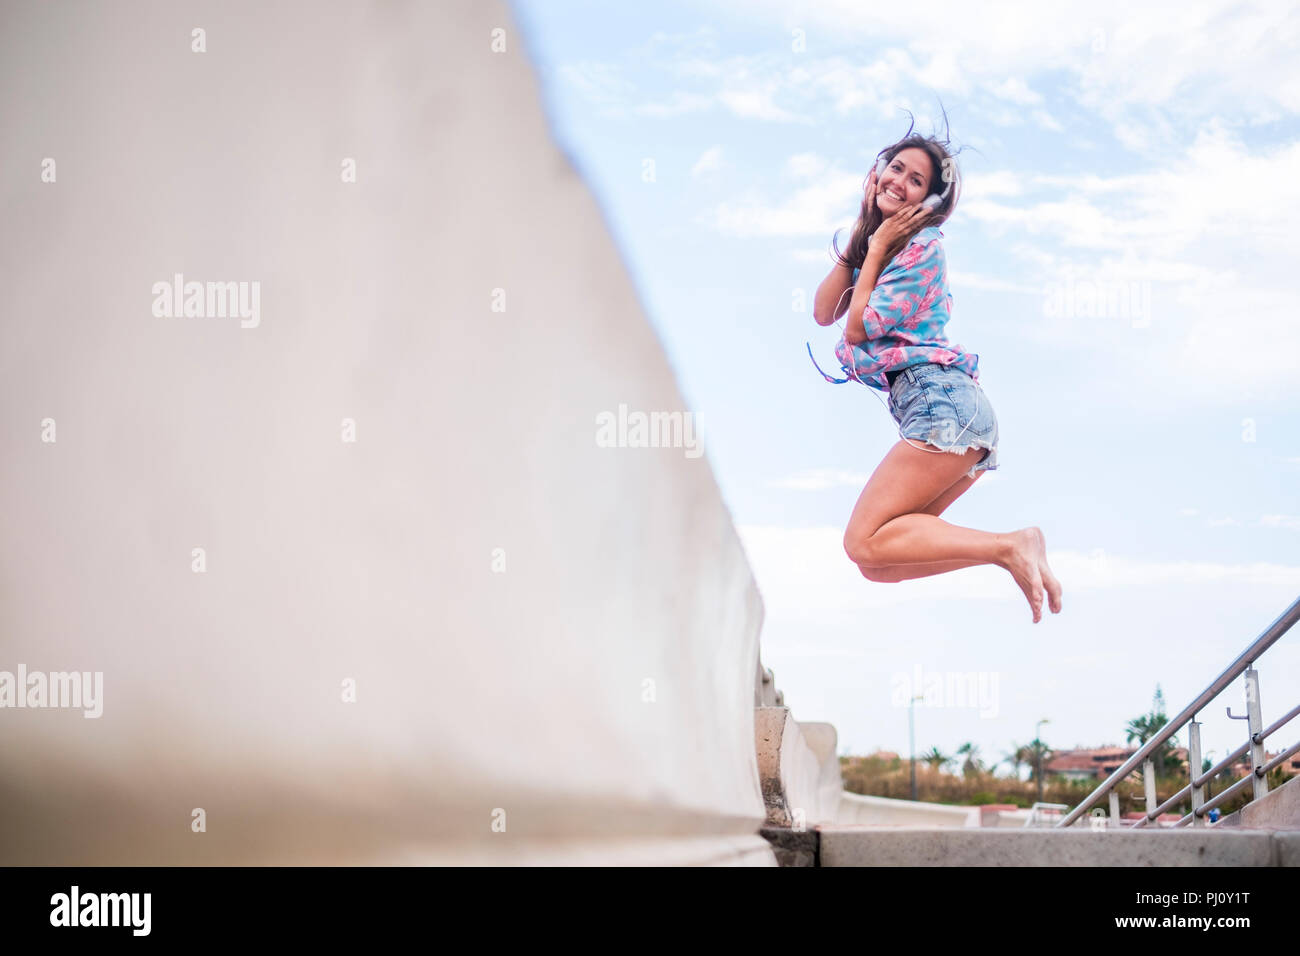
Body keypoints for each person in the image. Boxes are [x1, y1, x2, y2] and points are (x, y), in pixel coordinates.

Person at [810, 121, 1062, 623]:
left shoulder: (922, 249)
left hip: (942, 406)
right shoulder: (879, 248)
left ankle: (1011, 545)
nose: (898, 182)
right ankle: (1008, 549)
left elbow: (858, 328)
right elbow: (824, 311)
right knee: (879, 561)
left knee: (860, 539)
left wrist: (879, 247)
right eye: (895, 168)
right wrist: (866, 233)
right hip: (948, 413)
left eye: (916, 181)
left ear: (929, 201)